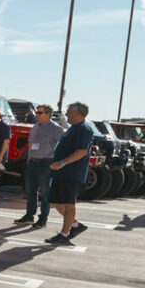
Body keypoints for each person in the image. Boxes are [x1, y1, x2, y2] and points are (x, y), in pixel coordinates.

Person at [46, 101, 95, 245]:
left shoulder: (84, 129)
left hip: (72, 173)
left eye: (69, 111)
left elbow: (81, 151)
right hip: (61, 173)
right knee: (55, 201)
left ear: (77, 112)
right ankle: (75, 225)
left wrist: (62, 163)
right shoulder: (73, 128)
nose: (66, 114)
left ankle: (64, 234)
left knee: (69, 203)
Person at [14, 103, 63, 228]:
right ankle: (29, 216)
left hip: (46, 163)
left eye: (40, 113)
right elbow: (31, 143)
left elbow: (62, 146)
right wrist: (29, 159)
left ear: (49, 114)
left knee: (45, 193)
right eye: (37, 112)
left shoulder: (56, 128)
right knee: (30, 191)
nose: (37, 115)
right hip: (32, 163)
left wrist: (57, 161)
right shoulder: (35, 126)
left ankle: (43, 219)